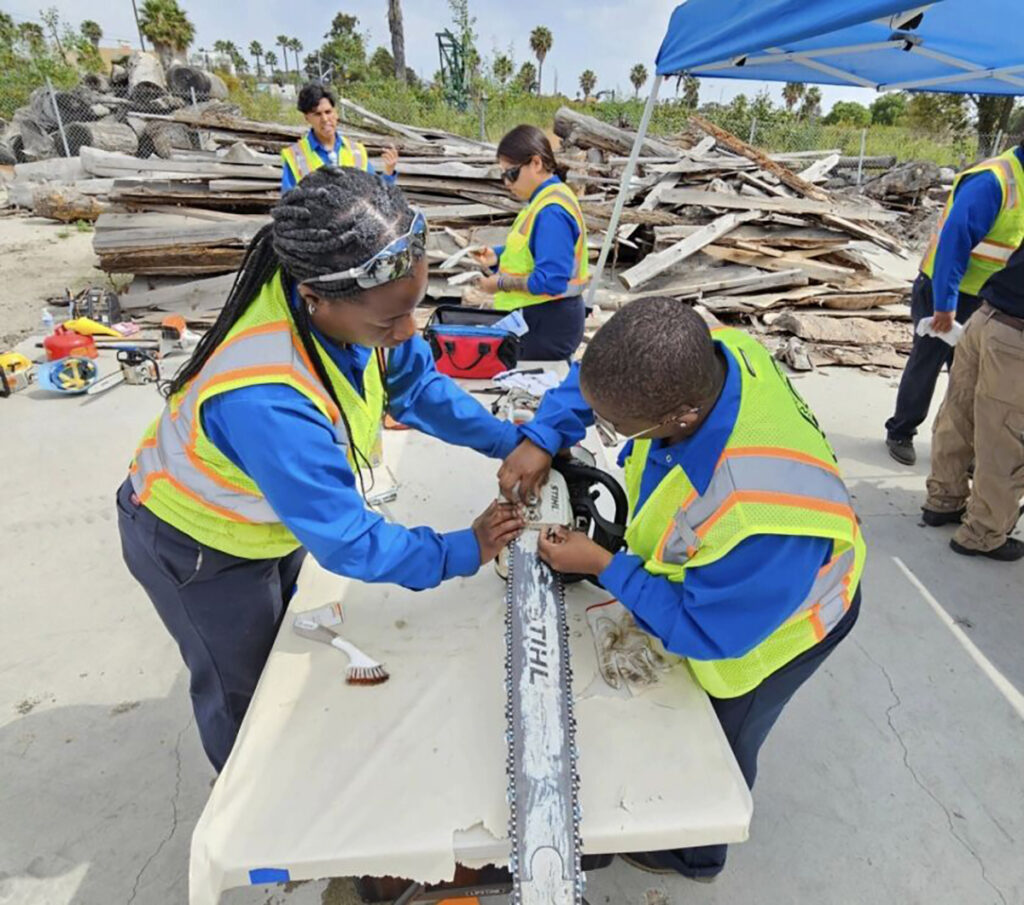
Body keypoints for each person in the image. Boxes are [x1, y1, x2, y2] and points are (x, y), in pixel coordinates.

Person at [117, 168, 526, 772]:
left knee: (283, 650)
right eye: (390, 323)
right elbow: (348, 540)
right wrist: (464, 549)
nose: (407, 332)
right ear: (316, 299)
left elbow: (416, 388)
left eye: (414, 308)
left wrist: (506, 442)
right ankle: (254, 822)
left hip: (263, 521)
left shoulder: (366, 298)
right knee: (243, 693)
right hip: (197, 546)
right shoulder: (266, 395)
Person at [498, 298, 865, 881]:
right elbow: (598, 380)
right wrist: (543, 436)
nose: (611, 433)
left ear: (684, 416)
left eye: (617, 428)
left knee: (723, 741)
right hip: (740, 578)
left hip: (784, 625)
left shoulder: (760, 512)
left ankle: (696, 853)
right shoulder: (707, 347)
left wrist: (605, 564)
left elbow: (706, 631)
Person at [884, 142, 1024, 466]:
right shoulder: (994, 180)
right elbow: (953, 242)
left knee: (969, 375)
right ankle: (901, 430)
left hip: (986, 296)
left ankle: (961, 447)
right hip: (944, 287)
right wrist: (944, 306)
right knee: (927, 362)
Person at [924, 240, 1024, 561]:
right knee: (1003, 439)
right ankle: (981, 534)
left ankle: (943, 500)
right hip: (1014, 338)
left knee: (958, 416)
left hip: (986, 317)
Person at [471, 124, 589, 361]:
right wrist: (497, 256)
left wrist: (500, 284)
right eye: (502, 175)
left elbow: (551, 280)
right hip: (539, 320)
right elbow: (527, 250)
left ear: (536, 163)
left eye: (511, 173)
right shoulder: (541, 202)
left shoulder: (551, 211)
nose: (507, 182)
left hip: (546, 325)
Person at [281, 83, 399, 192]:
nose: (325, 119)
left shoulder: (356, 152)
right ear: (307, 118)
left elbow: (376, 193)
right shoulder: (295, 157)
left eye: (328, 112)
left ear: (336, 113)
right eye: (317, 114)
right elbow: (288, 205)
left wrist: (388, 171)